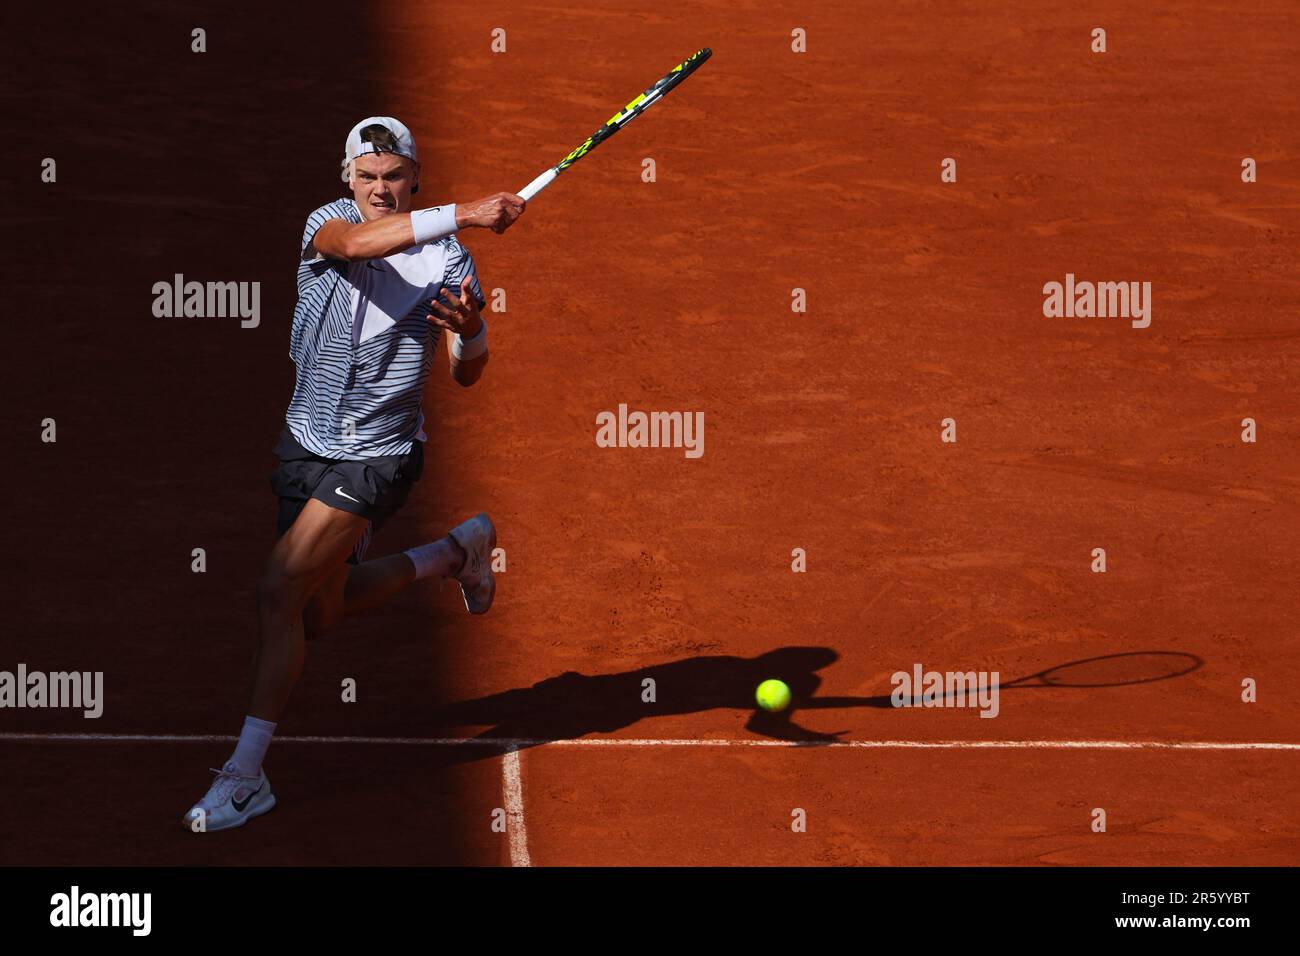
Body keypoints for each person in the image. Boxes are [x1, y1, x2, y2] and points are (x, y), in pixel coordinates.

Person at [182, 116, 526, 832]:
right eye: (366, 176)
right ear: (348, 180)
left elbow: (469, 376)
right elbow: (362, 244)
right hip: (306, 441)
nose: (379, 189)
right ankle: (453, 554)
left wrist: (472, 332)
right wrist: (464, 210)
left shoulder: (453, 264)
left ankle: (246, 778)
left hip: (380, 456)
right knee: (317, 612)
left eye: (393, 176)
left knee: (278, 587)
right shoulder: (329, 223)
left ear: (413, 179)